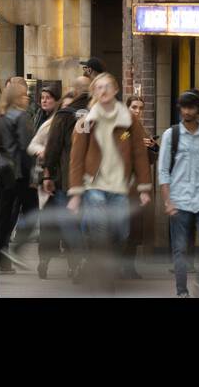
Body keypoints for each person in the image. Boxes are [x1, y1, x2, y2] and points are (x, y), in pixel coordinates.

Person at [66, 73, 153, 287]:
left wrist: (144, 187)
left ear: (115, 91)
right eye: (99, 88)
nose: (103, 91)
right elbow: (76, 158)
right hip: (94, 184)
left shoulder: (129, 119)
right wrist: (76, 193)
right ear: (94, 92)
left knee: (122, 232)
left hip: (120, 186)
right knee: (101, 231)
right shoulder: (86, 121)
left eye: (107, 87)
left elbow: (140, 154)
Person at [159, 89, 199, 297]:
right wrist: (167, 201)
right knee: (180, 249)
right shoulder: (171, 135)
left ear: (198, 109)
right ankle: (182, 291)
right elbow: (163, 170)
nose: (187, 111)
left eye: (191, 107)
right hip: (179, 199)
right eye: (183, 107)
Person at [43, 74, 93, 279]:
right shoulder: (95, 114)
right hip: (91, 179)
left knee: (67, 221)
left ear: (74, 90)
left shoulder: (63, 115)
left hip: (67, 178)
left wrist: (47, 175)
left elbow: (52, 148)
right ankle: (80, 263)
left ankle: (81, 256)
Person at [0, 77, 35, 267]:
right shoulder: (22, 117)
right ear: (17, 98)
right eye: (24, 95)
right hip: (21, 172)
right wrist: (33, 174)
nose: (27, 99)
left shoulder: (1, 118)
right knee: (32, 211)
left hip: (5, 172)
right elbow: (27, 147)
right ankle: (16, 247)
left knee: (6, 214)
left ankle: (1, 252)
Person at [27, 84, 62, 277]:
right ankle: (44, 261)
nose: (44, 100)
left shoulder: (57, 119)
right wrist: (40, 151)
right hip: (46, 178)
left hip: (60, 177)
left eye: (48, 97)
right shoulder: (42, 119)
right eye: (42, 97)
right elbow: (32, 145)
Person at [122, 93, 158, 279]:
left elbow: (150, 160)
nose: (137, 111)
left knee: (135, 229)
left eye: (140, 108)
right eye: (134, 107)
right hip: (122, 187)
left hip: (137, 188)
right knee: (124, 229)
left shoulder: (141, 129)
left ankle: (129, 267)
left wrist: (152, 147)